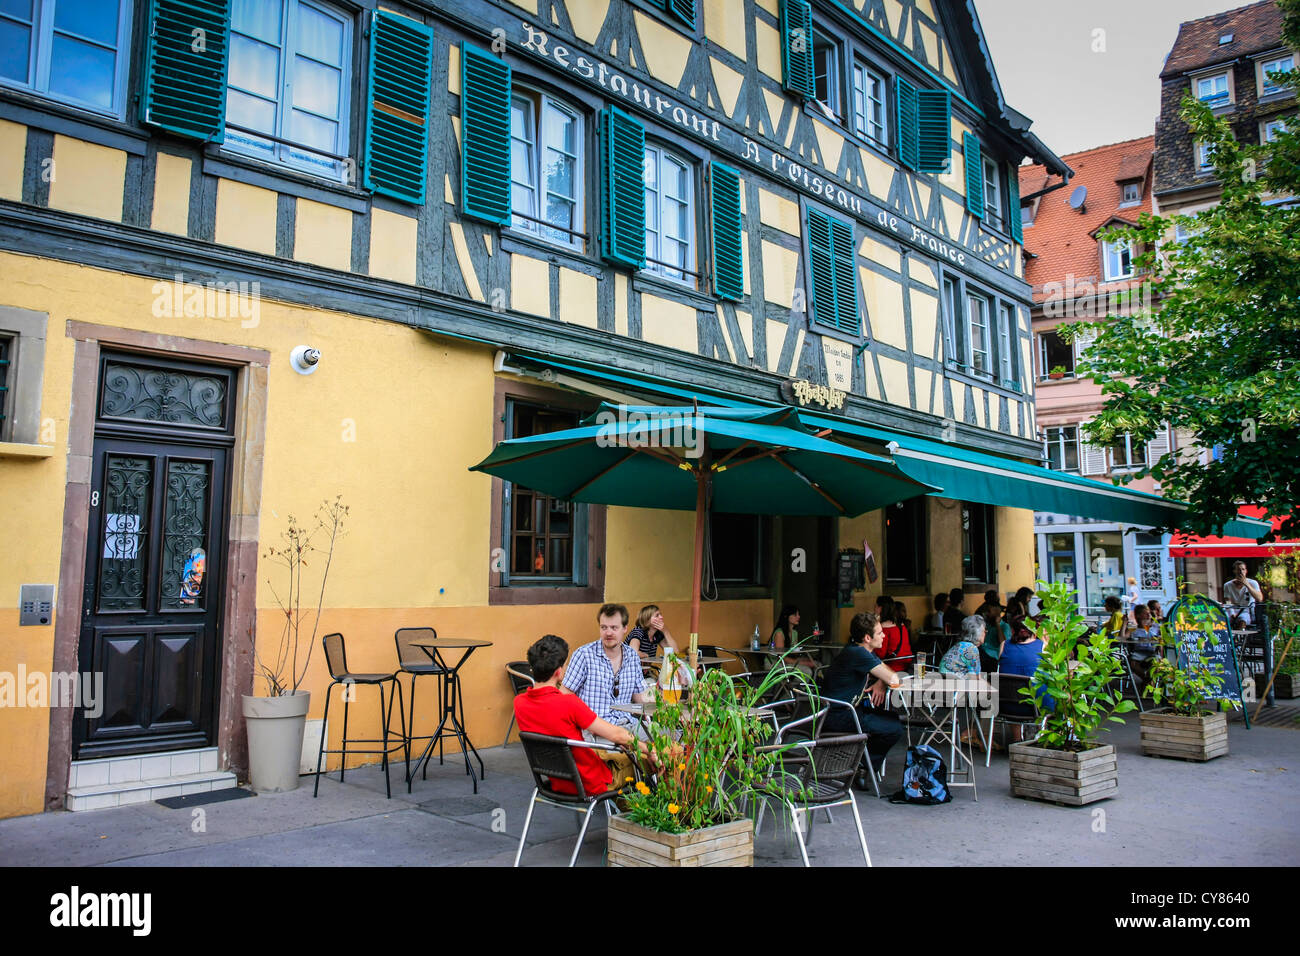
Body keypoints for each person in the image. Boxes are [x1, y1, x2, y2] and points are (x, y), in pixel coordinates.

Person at [514, 634, 637, 794]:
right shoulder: (569, 703)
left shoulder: (519, 703)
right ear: (559, 672)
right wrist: (651, 751)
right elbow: (618, 735)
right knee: (649, 760)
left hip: (558, 780)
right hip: (591, 782)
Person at [820, 611, 902, 772]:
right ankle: (863, 767)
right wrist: (884, 680)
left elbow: (885, 674)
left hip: (838, 711)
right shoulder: (858, 654)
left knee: (892, 719)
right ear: (867, 638)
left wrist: (881, 681)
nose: (884, 636)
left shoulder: (858, 650)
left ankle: (859, 764)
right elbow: (894, 680)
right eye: (880, 633)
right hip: (837, 716)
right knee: (894, 728)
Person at [561, 604, 647, 732]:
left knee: (670, 737)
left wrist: (666, 700)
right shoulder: (584, 655)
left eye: (614, 628)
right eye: (604, 627)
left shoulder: (632, 656)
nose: (608, 633)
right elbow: (565, 695)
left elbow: (640, 697)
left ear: (625, 628)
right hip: (596, 729)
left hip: (628, 725)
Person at [998, 618, 1053, 737]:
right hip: (1036, 707)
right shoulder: (1042, 646)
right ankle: (1045, 734)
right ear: (1034, 629)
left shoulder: (1004, 646)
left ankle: (1017, 739)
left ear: (1012, 631)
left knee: (1012, 688)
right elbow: (1056, 670)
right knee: (1062, 693)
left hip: (1007, 707)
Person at [1224, 561, 1264, 627]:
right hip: (1233, 610)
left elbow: (1260, 598)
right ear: (1234, 571)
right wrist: (1232, 613)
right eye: (1238, 570)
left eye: (1243, 569)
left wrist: (1247, 584)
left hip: (1247, 610)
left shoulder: (1253, 583)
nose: (1241, 572)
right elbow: (1228, 601)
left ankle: (1242, 635)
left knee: (1242, 619)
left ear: (1246, 571)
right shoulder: (1227, 585)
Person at [878, 600, 913, 671]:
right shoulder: (904, 626)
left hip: (892, 666)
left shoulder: (884, 628)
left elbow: (881, 654)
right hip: (907, 663)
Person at [1128, 605, 1159, 685]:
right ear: (1138, 615)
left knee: (1156, 664)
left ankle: (1146, 682)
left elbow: (1160, 640)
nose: (1149, 616)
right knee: (1133, 664)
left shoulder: (1155, 628)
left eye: (1149, 614)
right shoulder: (1133, 629)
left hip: (1152, 652)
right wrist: (1124, 623)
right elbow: (1123, 637)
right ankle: (1147, 680)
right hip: (1139, 653)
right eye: (1146, 614)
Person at [977, 601, 1009, 673]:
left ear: (997, 612)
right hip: (983, 656)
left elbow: (1003, 643)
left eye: (989, 611)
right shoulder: (987, 625)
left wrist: (997, 624)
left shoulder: (1005, 626)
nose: (986, 614)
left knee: (993, 680)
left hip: (994, 658)